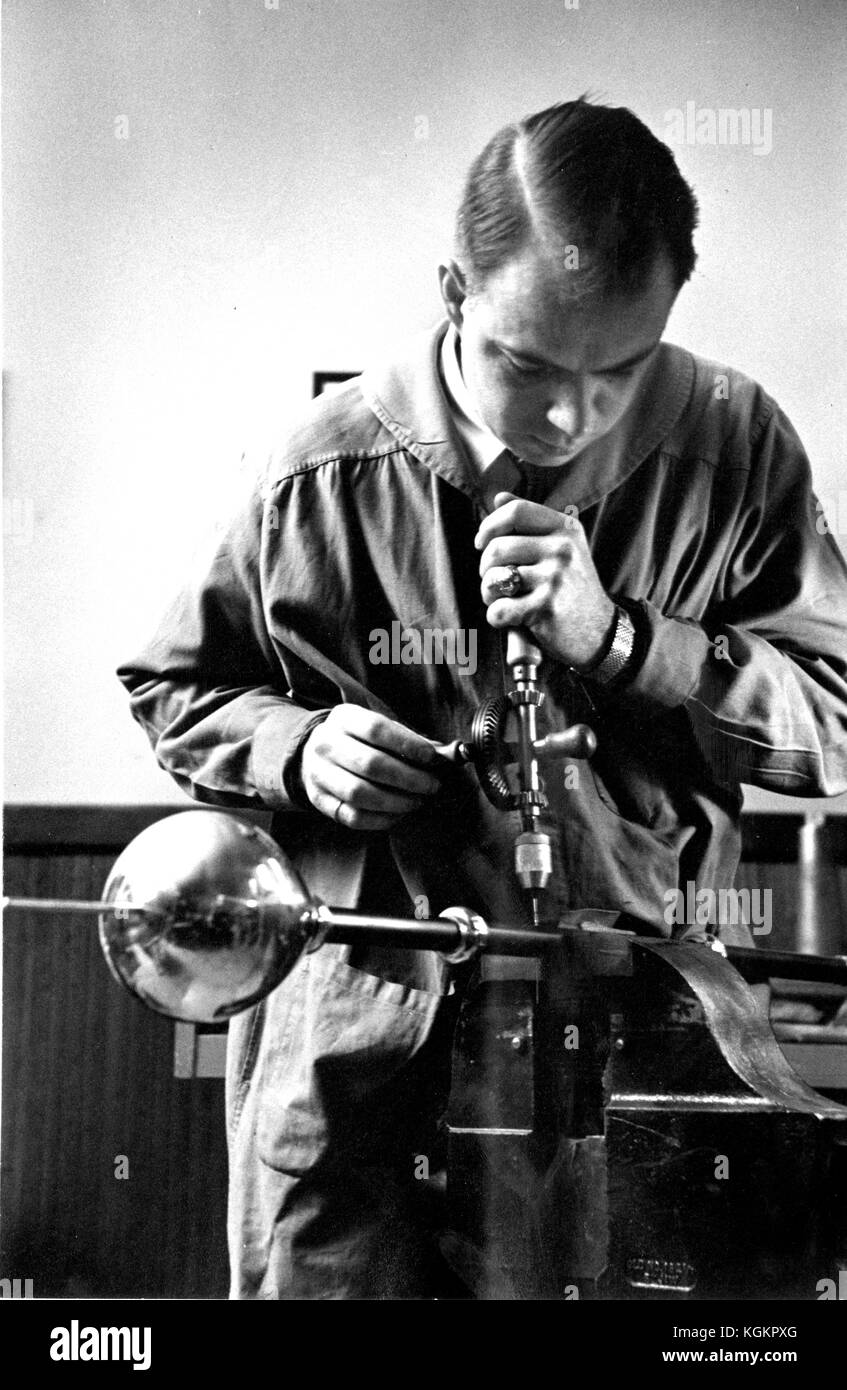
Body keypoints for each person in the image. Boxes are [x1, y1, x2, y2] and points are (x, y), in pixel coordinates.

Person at [117, 98, 847, 1299]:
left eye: (621, 371)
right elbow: (172, 685)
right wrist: (298, 750)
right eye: (528, 365)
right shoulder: (321, 466)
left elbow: (833, 723)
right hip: (353, 1065)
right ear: (453, 288)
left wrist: (624, 640)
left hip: (633, 1057)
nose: (571, 418)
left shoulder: (737, 448)